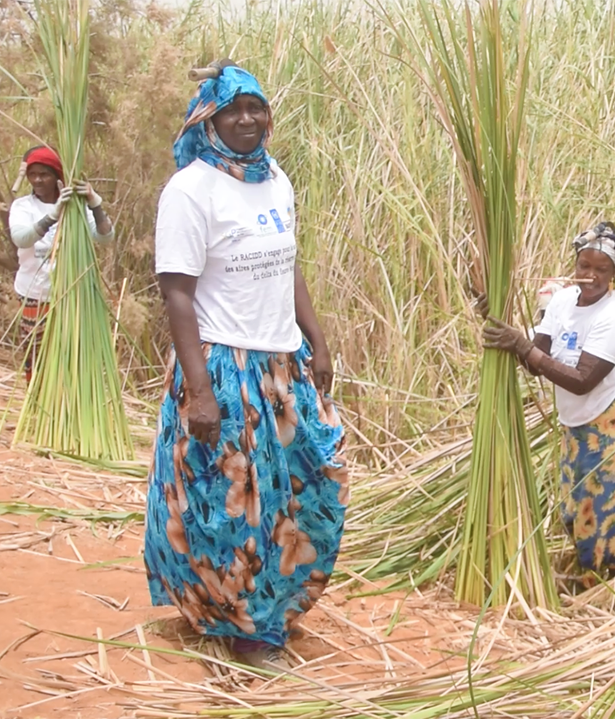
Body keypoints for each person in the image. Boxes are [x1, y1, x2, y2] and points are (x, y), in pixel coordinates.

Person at [143, 63, 347, 671]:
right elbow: (176, 293)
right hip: (223, 367)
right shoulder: (190, 189)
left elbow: (289, 265)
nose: (248, 119)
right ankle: (250, 632)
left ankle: (267, 606)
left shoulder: (275, 179)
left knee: (305, 491)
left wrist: (318, 341)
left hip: (282, 365)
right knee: (236, 503)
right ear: (207, 119)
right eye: (233, 110)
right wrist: (200, 393)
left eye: (257, 107)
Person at [482, 222, 615, 588]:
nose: (590, 276)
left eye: (602, 270)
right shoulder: (563, 301)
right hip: (580, 426)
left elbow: (582, 381)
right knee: (578, 508)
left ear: (614, 275)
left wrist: (522, 345)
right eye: (584, 265)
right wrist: (501, 325)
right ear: (575, 263)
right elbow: (539, 362)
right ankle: (591, 585)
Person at [7, 145, 113, 382]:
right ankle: (39, 410)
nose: (37, 180)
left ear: (57, 175)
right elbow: (21, 238)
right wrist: (52, 216)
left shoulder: (77, 207)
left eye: (44, 174)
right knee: (37, 359)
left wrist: (95, 204)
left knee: (73, 359)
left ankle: (67, 414)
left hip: (72, 295)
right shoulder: (23, 206)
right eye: (32, 174)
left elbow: (105, 237)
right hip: (35, 294)